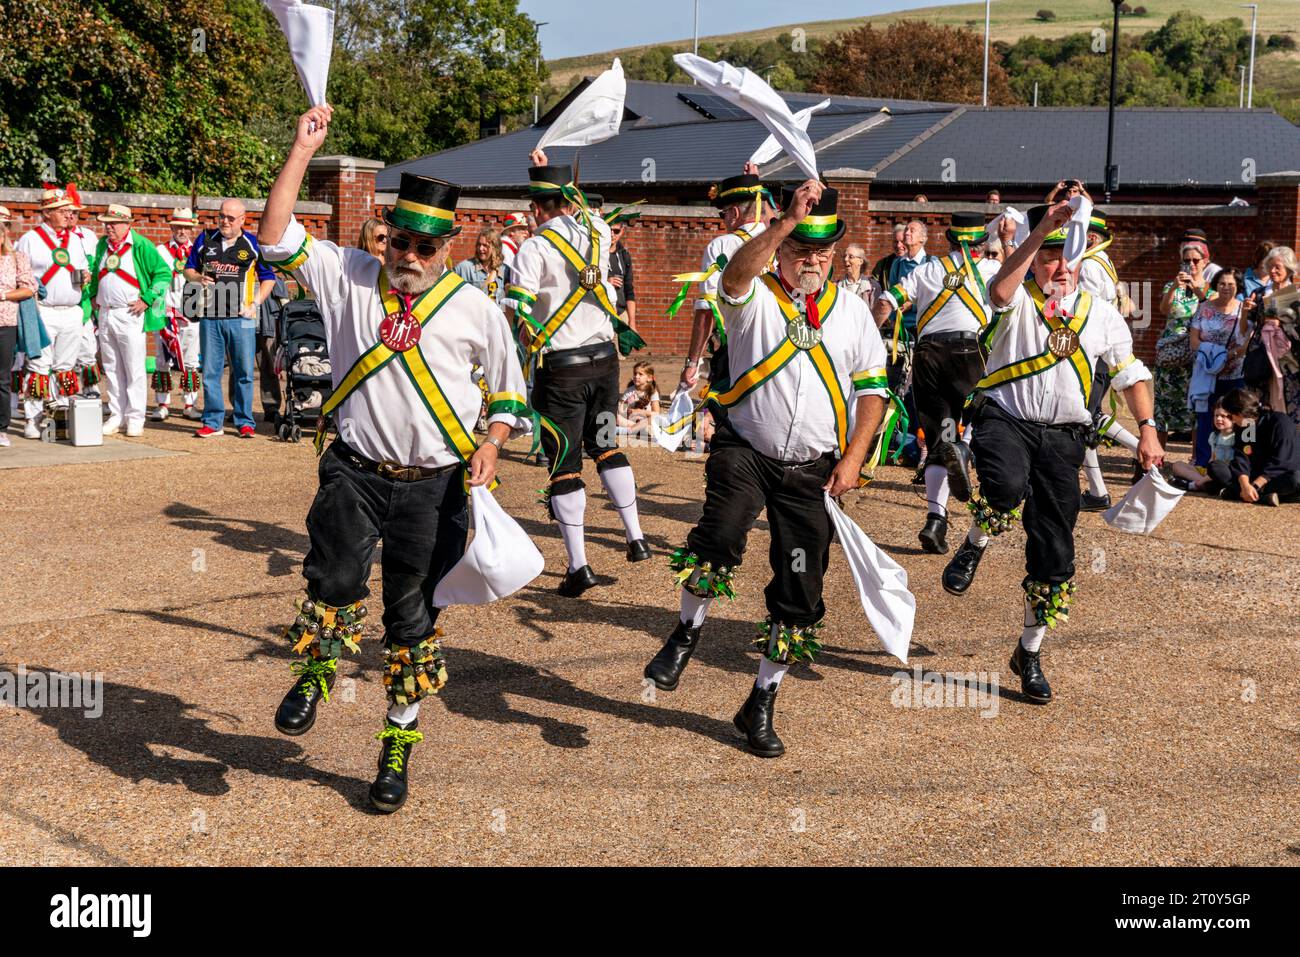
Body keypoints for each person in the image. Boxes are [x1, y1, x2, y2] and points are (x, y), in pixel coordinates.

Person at [260, 105, 532, 814]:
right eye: (400, 241)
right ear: (382, 236)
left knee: (410, 619)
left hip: (433, 487)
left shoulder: (479, 310)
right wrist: (298, 150)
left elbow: (509, 397)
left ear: (449, 246)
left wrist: (493, 442)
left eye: (426, 245)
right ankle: (319, 669)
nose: (410, 256)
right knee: (335, 576)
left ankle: (396, 742)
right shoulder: (345, 274)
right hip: (354, 470)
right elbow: (274, 235)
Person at [643, 180, 889, 756]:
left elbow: (873, 392)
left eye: (822, 254)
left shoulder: (853, 313)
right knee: (720, 536)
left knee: (800, 587)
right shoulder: (751, 294)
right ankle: (685, 632)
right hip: (745, 452)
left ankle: (760, 702)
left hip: (812, 470)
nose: (813, 262)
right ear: (779, 249)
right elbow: (730, 279)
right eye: (801, 250)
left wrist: (853, 461)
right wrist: (782, 222)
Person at [940, 201, 1161, 704]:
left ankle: (1029, 652)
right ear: (1034, 258)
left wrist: (1146, 430)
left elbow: (1131, 374)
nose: (1059, 268)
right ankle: (974, 541)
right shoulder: (1015, 298)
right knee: (1005, 484)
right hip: (1005, 418)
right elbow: (998, 290)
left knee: (1056, 552)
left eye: (1069, 258)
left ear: (1083, 262)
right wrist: (1040, 231)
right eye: (1049, 257)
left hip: (1064, 437)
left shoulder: (1102, 316)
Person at [503, 150, 649, 597]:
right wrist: (557, 172)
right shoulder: (599, 231)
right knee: (605, 447)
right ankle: (636, 536)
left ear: (534, 208)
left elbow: (518, 312)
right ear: (569, 198)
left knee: (564, 464)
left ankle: (579, 566)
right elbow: (583, 213)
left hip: (562, 371)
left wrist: (520, 347)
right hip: (605, 363)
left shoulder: (533, 247)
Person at [873, 212, 997, 554]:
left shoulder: (926, 270)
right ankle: (965, 450)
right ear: (981, 245)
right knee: (977, 419)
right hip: (970, 353)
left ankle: (935, 521)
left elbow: (887, 301)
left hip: (928, 355)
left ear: (950, 241)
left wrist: (870, 337)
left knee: (941, 434)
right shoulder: (991, 271)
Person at [677, 165, 778, 402]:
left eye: (722, 214)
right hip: (779, 348)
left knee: (727, 417)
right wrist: (755, 183)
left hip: (736, 350)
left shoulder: (721, 246)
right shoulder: (781, 241)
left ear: (733, 213)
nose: (723, 221)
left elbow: (708, 310)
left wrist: (693, 362)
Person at [185, 199, 277, 438]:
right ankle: (212, 421)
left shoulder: (253, 244)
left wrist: (254, 303)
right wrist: (197, 279)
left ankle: (245, 422)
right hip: (210, 315)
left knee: (244, 372)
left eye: (230, 218)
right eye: (221, 216)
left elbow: (269, 278)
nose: (224, 221)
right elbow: (188, 268)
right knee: (211, 371)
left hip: (241, 318)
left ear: (243, 220)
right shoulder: (205, 239)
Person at [86, 204, 171, 436]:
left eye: (113, 223)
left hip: (130, 313)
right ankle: (116, 414)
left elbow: (163, 273)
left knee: (134, 367)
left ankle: (135, 417)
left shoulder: (141, 244)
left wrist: (147, 298)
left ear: (127, 224)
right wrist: (94, 295)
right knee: (111, 367)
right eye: (106, 223)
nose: (108, 227)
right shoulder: (102, 244)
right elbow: (96, 272)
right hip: (106, 313)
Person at [15, 186, 91, 438]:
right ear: (47, 213)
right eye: (62, 210)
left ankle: (62, 415)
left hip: (71, 310)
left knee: (66, 366)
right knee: (38, 365)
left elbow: (82, 268)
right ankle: (32, 418)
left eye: (68, 210)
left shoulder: (76, 240)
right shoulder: (30, 239)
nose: (67, 214)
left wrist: (86, 276)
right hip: (43, 310)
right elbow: (21, 273)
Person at [1075, 207, 1129, 510]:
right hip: (1101, 353)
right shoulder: (1102, 261)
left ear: (1091, 237)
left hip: (1091, 353)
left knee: (1083, 419)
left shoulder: (1089, 267)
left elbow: (1087, 313)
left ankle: (1148, 456)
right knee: (1089, 417)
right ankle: (1097, 491)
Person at [1189, 268, 1250, 466]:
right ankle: (1203, 464)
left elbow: (1247, 341)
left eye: (1231, 284)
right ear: (1216, 284)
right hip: (1208, 374)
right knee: (1206, 419)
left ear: (1238, 287)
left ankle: (1241, 463)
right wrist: (1214, 355)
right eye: (1222, 283)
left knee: (1240, 419)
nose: (1226, 288)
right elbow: (1194, 341)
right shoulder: (1204, 308)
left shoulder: (1244, 309)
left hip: (1235, 373)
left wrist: (1228, 356)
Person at [1154, 239, 1207, 449]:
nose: (1191, 264)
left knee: (1195, 407)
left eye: (1196, 260)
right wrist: (1176, 286)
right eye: (1187, 260)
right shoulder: (1173, 285)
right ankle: (1156, 458)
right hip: (1170, 351)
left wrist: (1197, 290)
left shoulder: (1210, 289)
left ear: (1205, 261)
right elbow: (1164, 310)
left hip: (1195, 353)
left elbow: (1211, 310)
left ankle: (1196, 460)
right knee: (1163, 405)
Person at [1207, 388, 1300, 505]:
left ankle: (1238, 492)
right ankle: (1261, 496)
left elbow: (1282, 461)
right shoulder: (1248, 425)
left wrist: (1255, 485)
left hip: (1277, 475)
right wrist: (1245, 485)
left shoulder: (1279, 422)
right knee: (1215, 467)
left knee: (1296, 479)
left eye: (1232, 417)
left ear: (1240, 413)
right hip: (1255, 474)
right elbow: (1244, 456)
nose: (1233, 421)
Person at [153, 207, 202, 421]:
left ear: (192, 229)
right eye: (178, 226)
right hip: (164, 311)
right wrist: (155, 312)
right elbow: (152, 279)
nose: (182, 230)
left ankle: (189, 404)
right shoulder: (160, 251)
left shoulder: (199, 251)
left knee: (191, 361)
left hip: (190, 312)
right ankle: (162, 404)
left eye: (186, 227)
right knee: (162, 360)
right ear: (172, 227)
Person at [0, 206, 35, 447]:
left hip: (5, 323)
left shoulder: (16, 258)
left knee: (2, 378)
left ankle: (1, 427)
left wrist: (4, 295)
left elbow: (29, 287)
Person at [64, 186, 102, 398]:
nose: (71, 216)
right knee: (62, 352)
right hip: (61, 300)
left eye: (75, 212)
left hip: (85, 300)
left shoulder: (88, 236)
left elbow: (98, 266)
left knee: (88, 347)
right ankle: (63, 395)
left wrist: (93, 286)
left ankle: (91, 389)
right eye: (67, 211)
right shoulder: (50, 237)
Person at [1169, 402, 1235, 492]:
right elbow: (1212, 457)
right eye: (1216, 415)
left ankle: (1196, 484)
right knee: (1177, 465)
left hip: (1224, 472)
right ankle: (1203, 484)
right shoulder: (1214, 436)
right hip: (1210, 472)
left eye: (1223, 416)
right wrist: (1207, 472)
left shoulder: (1235, 437)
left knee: (1218, 472)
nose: (1218, 419)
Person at [606, 206, 640, 333]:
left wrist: (632, 322)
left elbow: (629, 289)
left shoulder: (624, 255)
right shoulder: (596, 254)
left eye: (615, 231)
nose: (611, 235)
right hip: (604, 314)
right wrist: (606, 282)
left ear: (622, 231)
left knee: (624, 351)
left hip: (621, 312)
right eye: (609, 230)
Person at [454, 227, 506, 306]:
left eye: (485, 245)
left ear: (495, 247)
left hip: (495, 317)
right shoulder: (464, 268)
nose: (480, 249)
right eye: (479, 244)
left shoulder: (505, 271)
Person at [617, 361, 660, 432]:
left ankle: (631, 430)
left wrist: (639, 411)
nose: (636, 376)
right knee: (615, 416)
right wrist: (627, 405)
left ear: (649, 378)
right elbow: (621, 409)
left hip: (644, 420)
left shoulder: (653, 392)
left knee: (654, 418)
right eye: (635, 374)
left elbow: (656, 413)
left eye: (640, 374)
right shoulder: (629, 391)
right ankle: (636, 429)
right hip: (631, 421)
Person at [838, 243, 880, 308]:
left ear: (860, 261)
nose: (845, 259)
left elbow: (875, 315)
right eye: (844, 256)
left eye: (850, 257)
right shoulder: (836, 286)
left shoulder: (873, 287)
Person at [871, 223, 906, 287]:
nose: (898, 245)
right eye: (895, 242)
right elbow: (873, 286)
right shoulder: (882, 264)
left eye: (902, 241)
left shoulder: (921, 263)